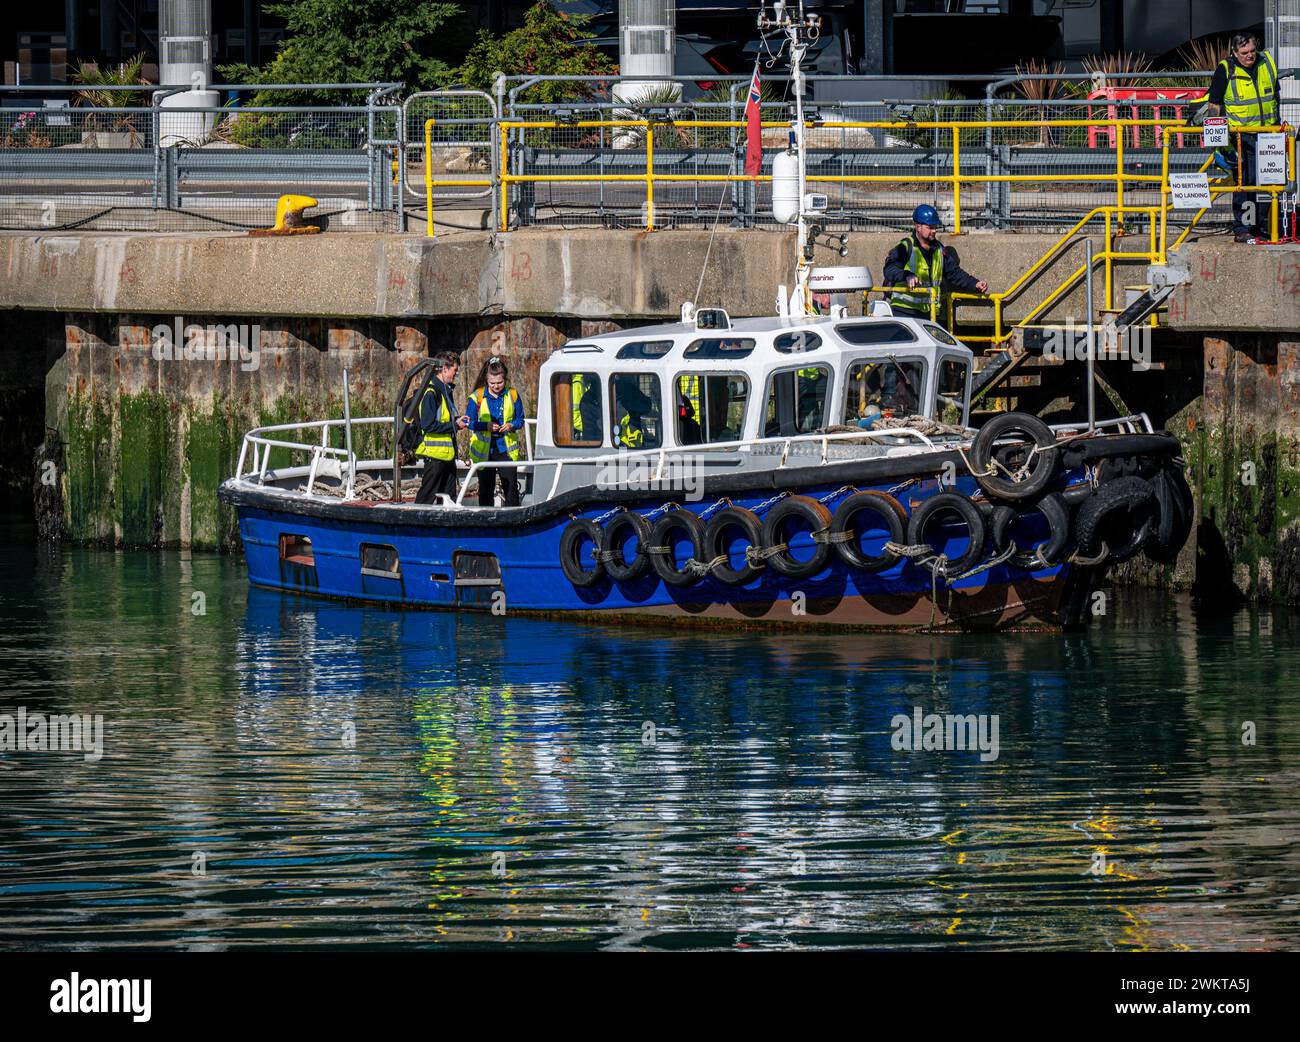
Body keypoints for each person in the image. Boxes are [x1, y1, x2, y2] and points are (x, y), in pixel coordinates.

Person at [1202, 32, 1279, 242]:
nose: (1250, 56)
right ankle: (1242, 228)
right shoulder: (1225, 69)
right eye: (1244, 52)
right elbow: (1214, 105)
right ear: (1235, 53)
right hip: (1240, 138)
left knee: (1267, 183)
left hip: (1269, 136)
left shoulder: (1267, 63)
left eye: (1253, 51)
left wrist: (1279, 127)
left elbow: (1274, 96)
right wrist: (1218, 143)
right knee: (1244, 184)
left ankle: (1262, 226)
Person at [883, 204, 989, 324]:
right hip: (904, 312)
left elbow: (954, 273)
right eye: (930, 227)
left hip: (930, 313)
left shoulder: (939, 249)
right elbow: (889, 270)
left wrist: (975, 284)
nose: (934, 231)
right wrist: (907, 275)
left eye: (935, 227)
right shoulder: (905, 247)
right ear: (918, 227)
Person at [463, 355, 524, 507]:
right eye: (492, 383)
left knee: (510, 489)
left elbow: (520, 419)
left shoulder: (513, 395)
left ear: (505, 379)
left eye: (500, 382)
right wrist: (486, 426)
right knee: (485, 490)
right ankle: (486, 520)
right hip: (485, 451)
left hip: (506, 449)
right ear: (486, 380)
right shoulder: (476, 397)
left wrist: (511, 425)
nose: (496, 386)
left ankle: (513, 520)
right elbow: (468, 422)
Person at [414, 351, 470, 505]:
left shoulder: (445, 391)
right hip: (435, 458)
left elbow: (443, 418)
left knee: (448, 500)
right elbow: (428, 425)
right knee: (425, 499)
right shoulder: (431, 393)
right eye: (455, 370)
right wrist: (455, 425)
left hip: (447, 457)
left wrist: (457, 420)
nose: (456, 374)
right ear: (444, 369)